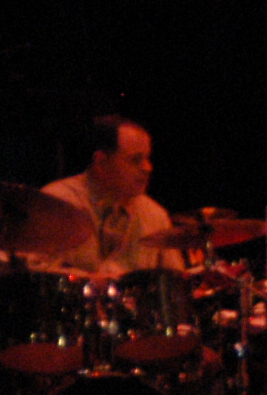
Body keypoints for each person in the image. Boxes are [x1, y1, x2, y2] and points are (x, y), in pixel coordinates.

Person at [40, 116, 188, 279]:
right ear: (101, 162)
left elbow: (176, 281)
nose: (147, 168)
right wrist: (89, 280)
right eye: (136, 160)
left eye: (147, 158)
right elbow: (34, 271)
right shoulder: (57, 202)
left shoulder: (155, 216)